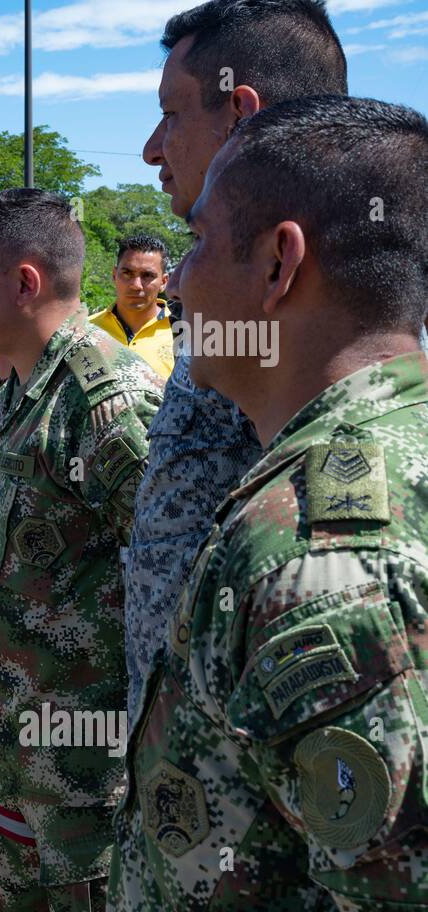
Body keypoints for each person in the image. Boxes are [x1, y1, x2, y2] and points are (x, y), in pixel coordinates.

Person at [111, 95, 428, 912]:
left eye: (199, 242)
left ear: (279, 264)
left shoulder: (317, 555)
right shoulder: (403, 440)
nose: (174, 280)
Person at [0, 190, 163, 912]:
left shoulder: (108, 403)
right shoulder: (4, 394)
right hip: (12, 754)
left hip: (85, 782)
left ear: (25, 283)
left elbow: (180, 593)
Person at [125, 0, 348, 721]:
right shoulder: (233, 299)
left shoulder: (325, 322)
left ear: (240, 117)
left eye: (172, 115)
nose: (153, 149)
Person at [88, 235, 175, 378]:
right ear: (114, 275)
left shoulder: (184, 334)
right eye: (127, 273)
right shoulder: (86, 329)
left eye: (147, 275)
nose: (136, 285)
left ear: (164, 282)